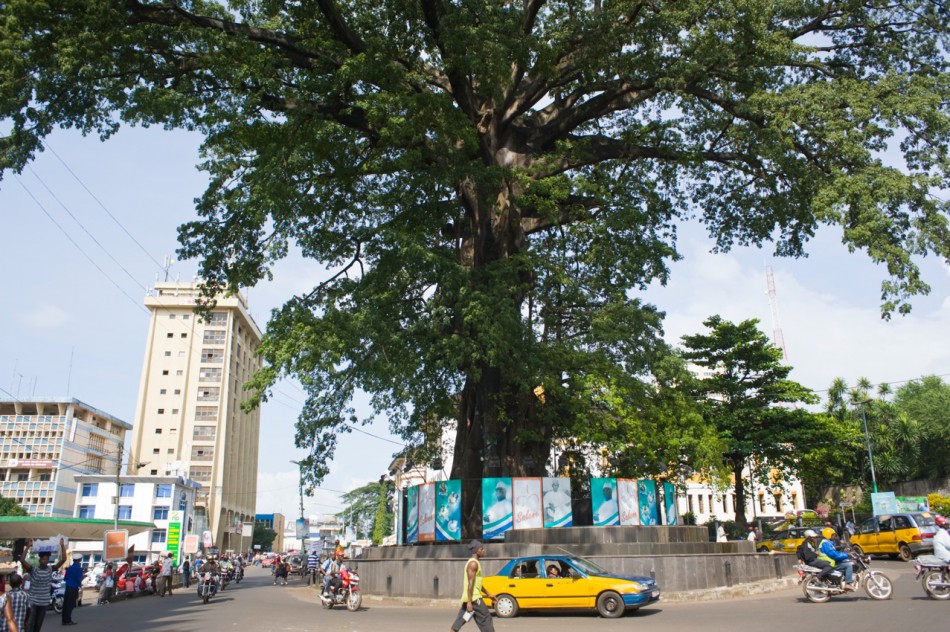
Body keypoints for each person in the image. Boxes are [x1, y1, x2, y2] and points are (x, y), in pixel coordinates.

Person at [20, 537, 67, 632]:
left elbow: (63, 560)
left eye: (47, 559)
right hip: (33, 602)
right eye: (43, 559)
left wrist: (62, 546)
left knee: (38, 625)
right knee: (30, 624)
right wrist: (28, 546)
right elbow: (22, 560)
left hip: (44, 602)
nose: (45, 561)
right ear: (40, 560)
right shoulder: (33, 570)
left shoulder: (50, 569)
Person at [450, 540, 497, 632]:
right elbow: (470, 583)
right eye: (482, 549)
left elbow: (477, 583)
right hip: (475, 600)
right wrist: (469, 602)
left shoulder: (474, 563)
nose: (483, 551)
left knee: (457, 624)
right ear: (477, 551)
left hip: (470, 599)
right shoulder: (473, 564)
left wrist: (488, 594)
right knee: (486, 620)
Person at [61, 553, 83, 625]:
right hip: (73, 588)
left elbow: (65, 579)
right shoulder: (79, 568)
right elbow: (79, 579)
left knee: (66, 604)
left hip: (68, 587)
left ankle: (64, 620)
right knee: (70, 605)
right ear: (80, 560)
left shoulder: (69, 568)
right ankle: (68, 620)